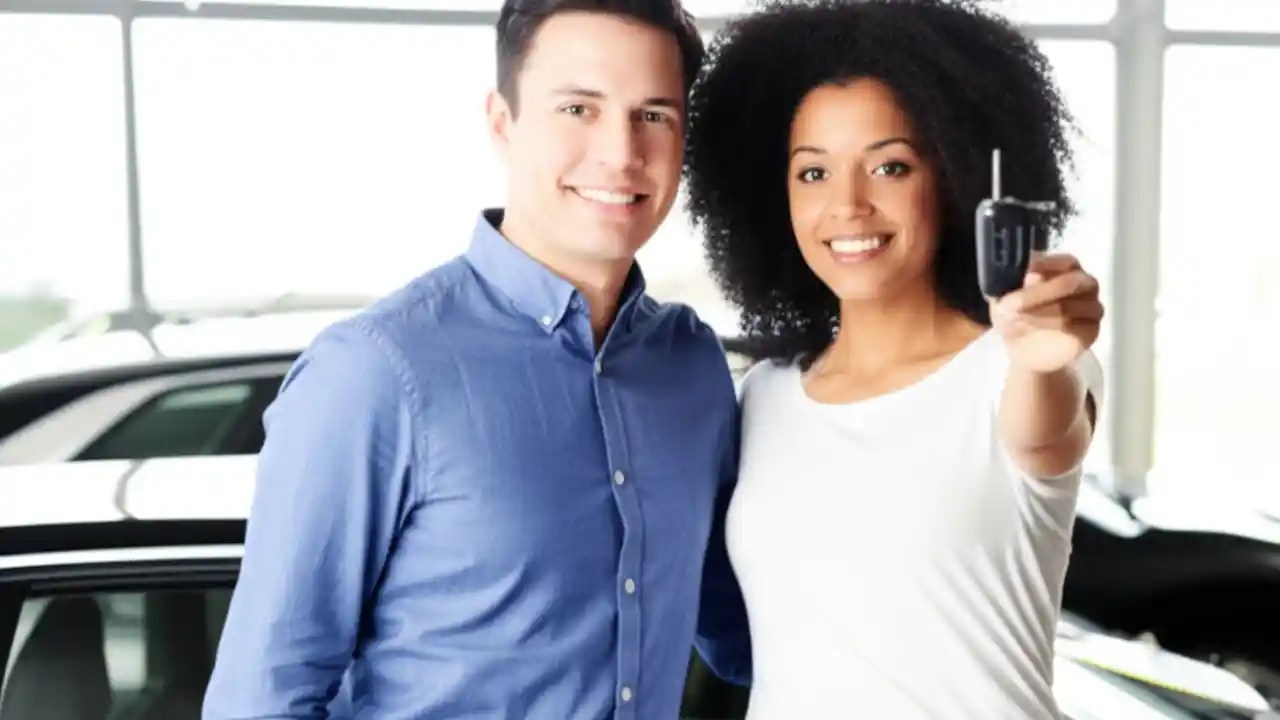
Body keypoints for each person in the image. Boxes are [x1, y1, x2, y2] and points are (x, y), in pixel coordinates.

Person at [202, 2, 749, 718]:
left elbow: (749, 635)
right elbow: (261, 702)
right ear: (502, 122)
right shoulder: (376, 373)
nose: (621, 151)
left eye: (653, 115)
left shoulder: (692, 368)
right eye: (579, 108)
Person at [683, 1, 1104, 717]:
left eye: (889, 166)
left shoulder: (1012, 367)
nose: (848, 205)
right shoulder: (764, 395)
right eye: (813, 174)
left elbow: (1045, 433)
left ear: (954, 176)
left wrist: (1043, 356)